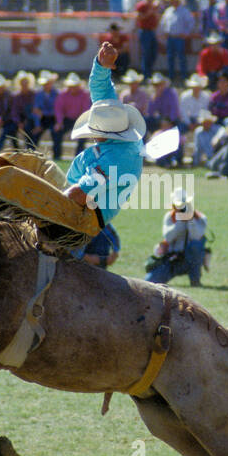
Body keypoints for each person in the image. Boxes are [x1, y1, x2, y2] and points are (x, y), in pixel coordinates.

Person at [64, 42, 145, 227]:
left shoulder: (121, 157)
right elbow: (101, 90)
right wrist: (102, 66)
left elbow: (80, 194)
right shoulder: (110, 117)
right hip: (78, 198)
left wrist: (45, 208)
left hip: (86, 216)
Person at [146, 190, 208, 287]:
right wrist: (180, 221)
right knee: (150, 281)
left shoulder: (200, 218)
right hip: (173, 259)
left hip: (191, 260)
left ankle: (195, 279)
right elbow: (168, 237)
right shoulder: (170, 217)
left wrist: (190, 220)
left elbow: (196, 237)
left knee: (195, 246)